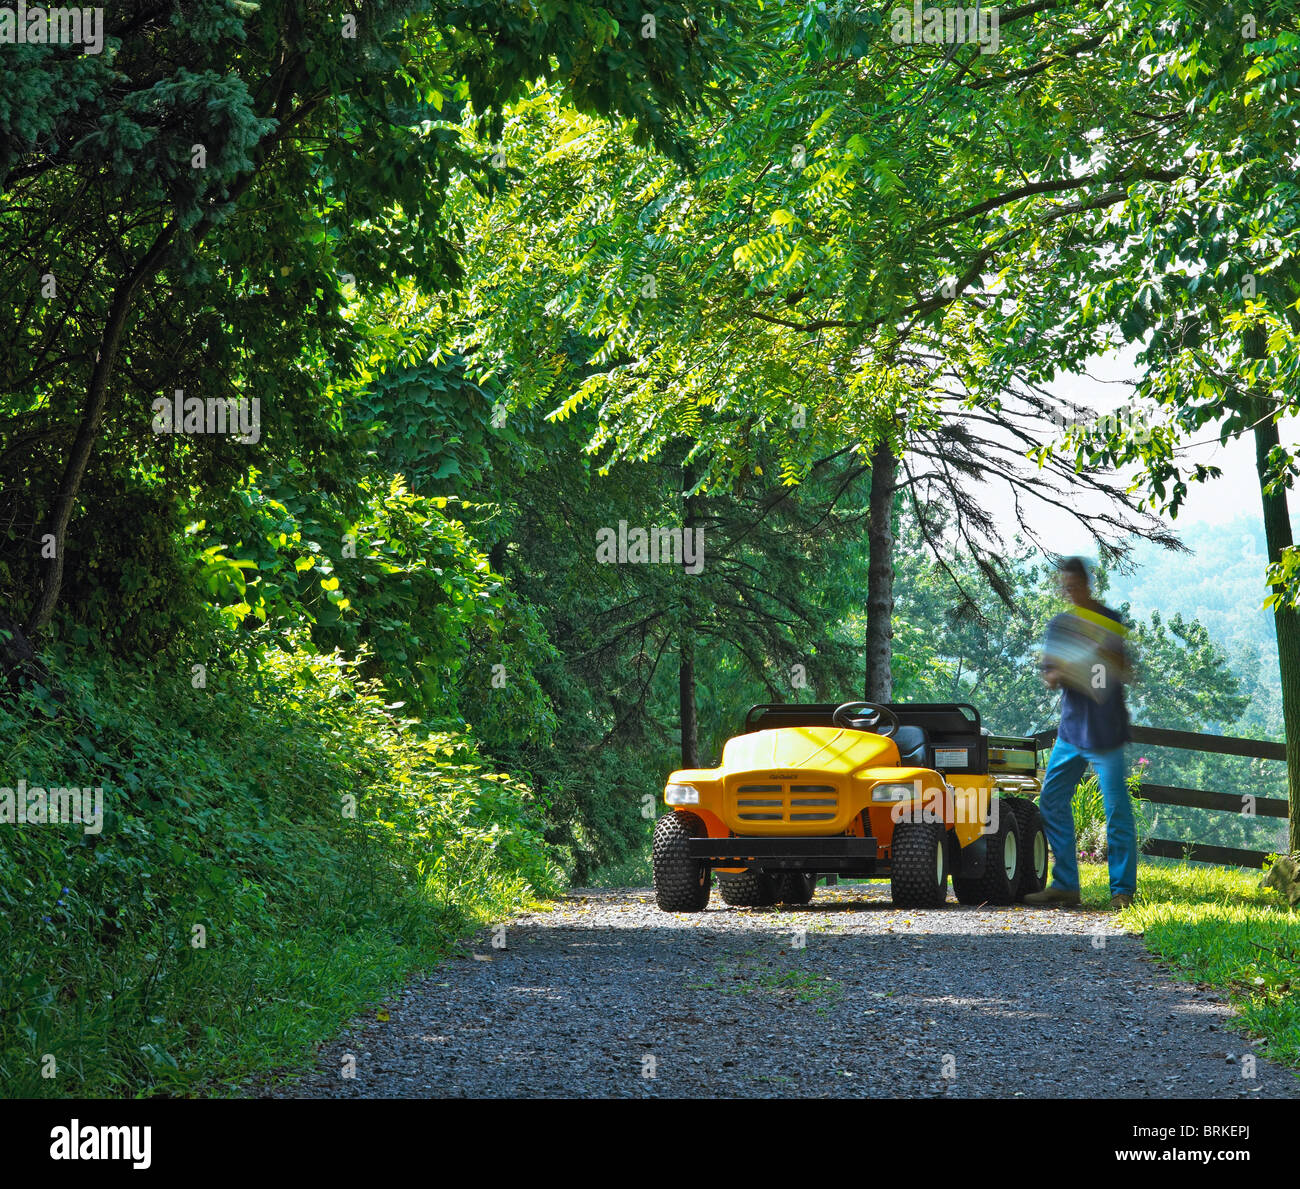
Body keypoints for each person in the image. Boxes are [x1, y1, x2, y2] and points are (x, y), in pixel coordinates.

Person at [1024, 557, 1138, 909]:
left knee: (1116, 808)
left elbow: (1127, 671)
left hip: (1106, 733)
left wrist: (1100, 656)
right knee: (1051, 800)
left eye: (1076, 585)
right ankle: (1066, 885)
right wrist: (1063, 671)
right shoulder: (1060, 625)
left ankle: (1121, 891)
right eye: (1066, 587)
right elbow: (1049, 676)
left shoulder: (1110, 621)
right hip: (1071, 731)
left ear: (1088, 583)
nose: (1070, 592)